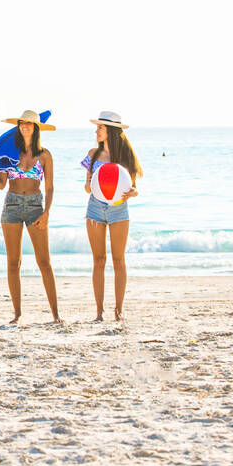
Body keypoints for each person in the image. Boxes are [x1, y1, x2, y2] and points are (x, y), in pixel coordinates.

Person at [0, 110, 61, 324]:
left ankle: (55, 314)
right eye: (22, 123)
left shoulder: (45, 155)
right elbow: (1, 184)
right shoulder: (9, 153)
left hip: (35, 206)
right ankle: (17, 314)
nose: (25, 126)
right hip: (12, 205)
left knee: (44, 262)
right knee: (13, 263)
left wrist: (47, 213)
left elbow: (50, 187)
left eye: (30, 124)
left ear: (36, 128)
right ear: (18, 126)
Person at [81, 110, 142, 322]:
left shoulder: (125, 157)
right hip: (95, 209)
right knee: (99, 260)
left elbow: (133, 187)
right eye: (97, 127)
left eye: (100, 128)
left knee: (118, 261)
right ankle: (99, 312)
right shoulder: (92, 154)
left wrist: (133, 192)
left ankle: (119, 310)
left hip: (119, 209)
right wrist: (89, 186)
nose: (96, 131)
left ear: (111, 131)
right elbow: (87, 187)